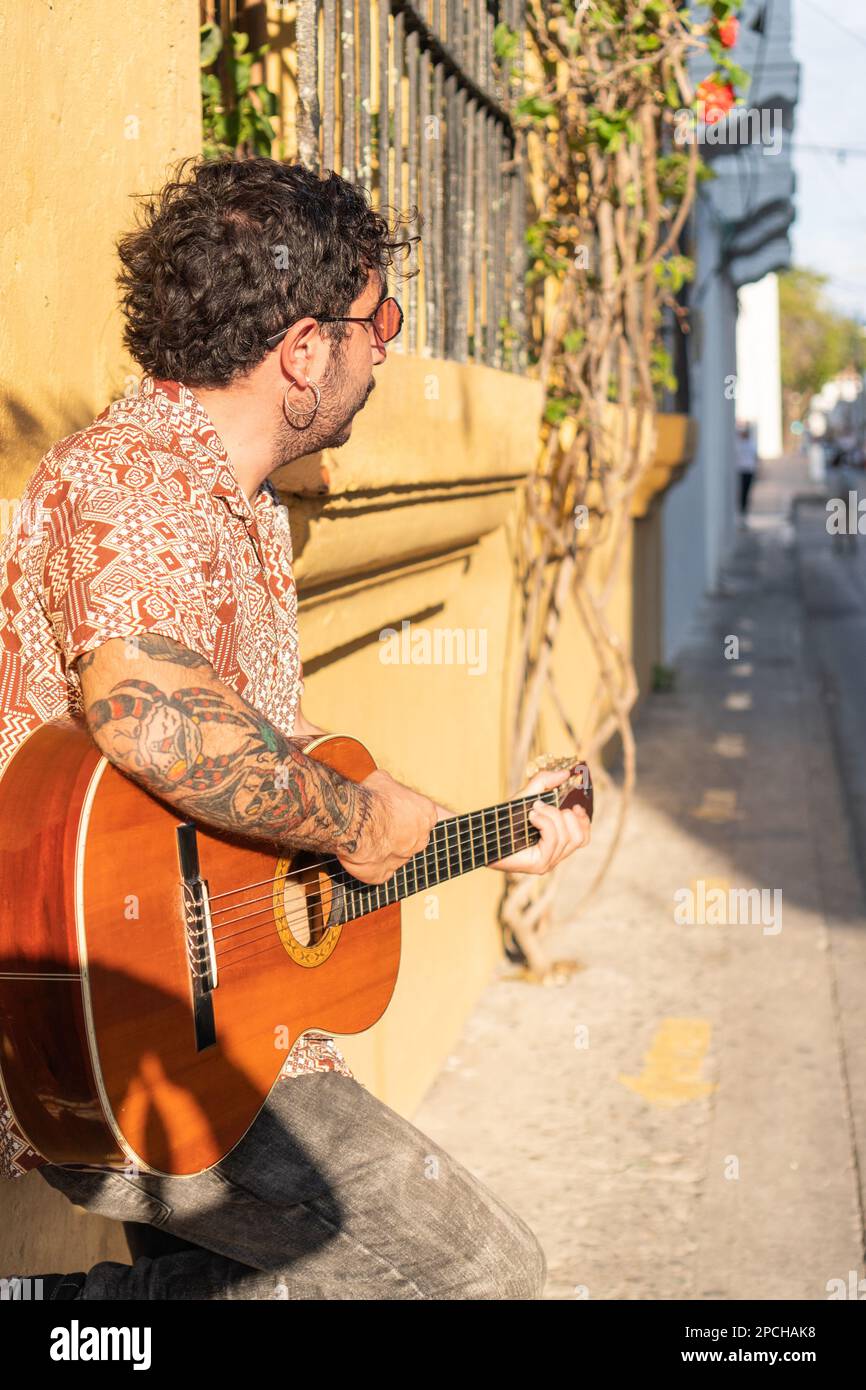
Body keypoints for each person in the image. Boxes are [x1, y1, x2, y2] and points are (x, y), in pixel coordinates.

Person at [0, 157, 591, 1300]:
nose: (386, 351)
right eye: (380, 322)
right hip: (125, 1029)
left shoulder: (246, 506)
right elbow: (149, 713)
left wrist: (480, 832)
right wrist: (364, 818)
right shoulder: (136, 476)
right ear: (305, 350)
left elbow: (266, 767)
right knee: (482, 1277)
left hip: (219, 1026)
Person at [735, 419, 758, 521]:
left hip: (748, 470)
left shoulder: (750, 444)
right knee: (741, 492)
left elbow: (755, 457)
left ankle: (744, 510)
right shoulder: (738, 444)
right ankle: (741, 510)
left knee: (746, 492)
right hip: (741, 470)